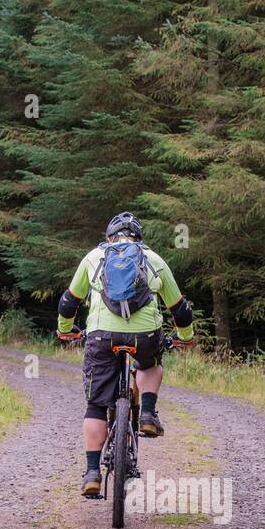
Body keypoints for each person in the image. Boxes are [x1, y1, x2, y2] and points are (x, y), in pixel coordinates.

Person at [55, 212, 194, 497]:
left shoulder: (94, 257)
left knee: (95, 404)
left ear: (109, 237)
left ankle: (92, 473)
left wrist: (65, 330)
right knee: (150, 365)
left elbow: (69, 301)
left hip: (101, 335)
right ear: (139, 239)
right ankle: (146, 413)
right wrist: (185, 338)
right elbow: (179, 308)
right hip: (144, 335)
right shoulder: (153, 259)